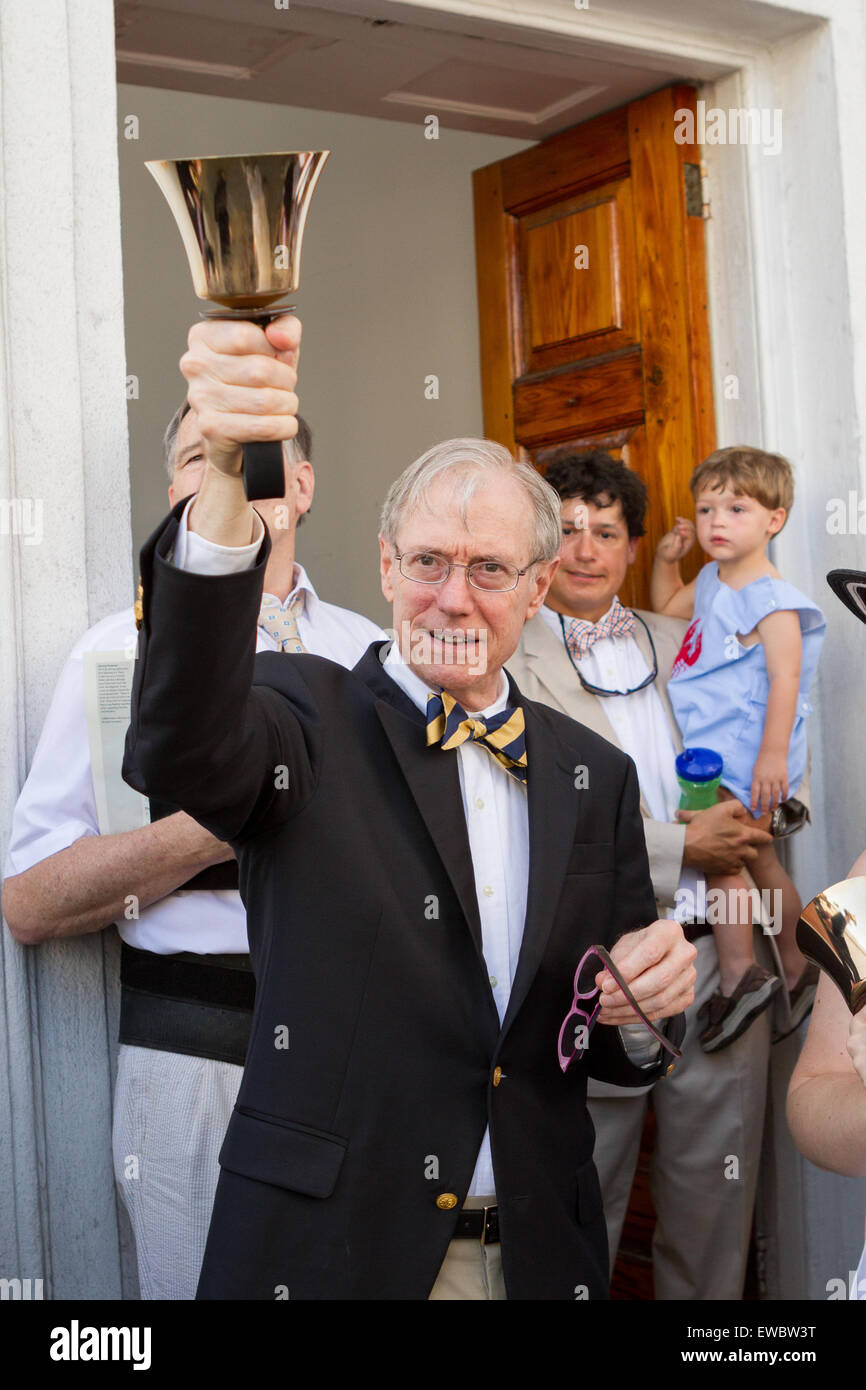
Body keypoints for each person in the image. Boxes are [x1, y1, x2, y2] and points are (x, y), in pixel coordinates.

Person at [121, 312, 696, 1301]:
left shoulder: (590, 773)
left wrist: (645, 1005)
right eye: (427, 562)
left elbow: (598, 1034)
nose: (451, 598)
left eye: (486, 569)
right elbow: (179, 746)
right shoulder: (303, 711)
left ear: (537, 586)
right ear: (386, 567)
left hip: (537, 1253)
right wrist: (225, 470)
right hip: (333, 1256)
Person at [2, 407, 383, 1300]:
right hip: (191, 1066)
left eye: (250, 462)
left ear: (301, 488)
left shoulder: (377, 655)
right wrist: (231, 812)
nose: (223, 479)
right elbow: (29, 902)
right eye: (196, 463)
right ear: (176, 491)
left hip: (364, 1061)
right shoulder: (116, 657)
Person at [508, 447, 790, 1300]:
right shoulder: (506, 662)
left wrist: (756, 827)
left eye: (607, 530)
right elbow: (533, 813)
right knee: (582, 1198)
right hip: (596, 971)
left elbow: (769, 729)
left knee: (715, 1208)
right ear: (539, 549)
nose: (587, 548)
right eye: (567, 532)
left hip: (721, 956)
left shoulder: (690, 638)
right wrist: (680, 847)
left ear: (633, 546)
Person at [652, 447, 825, 1051]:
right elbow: (669, 609)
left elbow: (787, 676)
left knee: (722, 856)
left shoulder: (771, 597)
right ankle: (800, 968)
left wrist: (773, 757)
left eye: (736, 508)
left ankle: (738, 976)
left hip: (749, 755)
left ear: (773, 520)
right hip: (716, 751)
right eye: (706, 509)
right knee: (758, 861)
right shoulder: (711, 580)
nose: (716, 521)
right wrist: (665, 562)